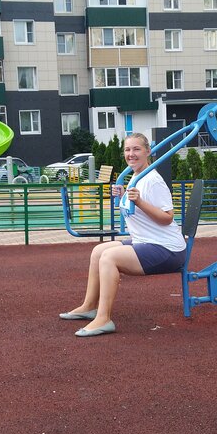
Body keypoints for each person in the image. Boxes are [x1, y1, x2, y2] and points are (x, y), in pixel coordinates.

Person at [60, 133, 187, 337]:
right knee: (98, 251)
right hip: (146, 242)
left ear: (148, 152)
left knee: (109, 257)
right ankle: (89, 306)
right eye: (128, 150)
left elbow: (167, 218)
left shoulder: (153, 180)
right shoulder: (136, 176)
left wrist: (140, 202)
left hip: (167, 249)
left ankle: (104, 319)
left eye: (136, 149)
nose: (131, 154)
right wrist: (124, 195)